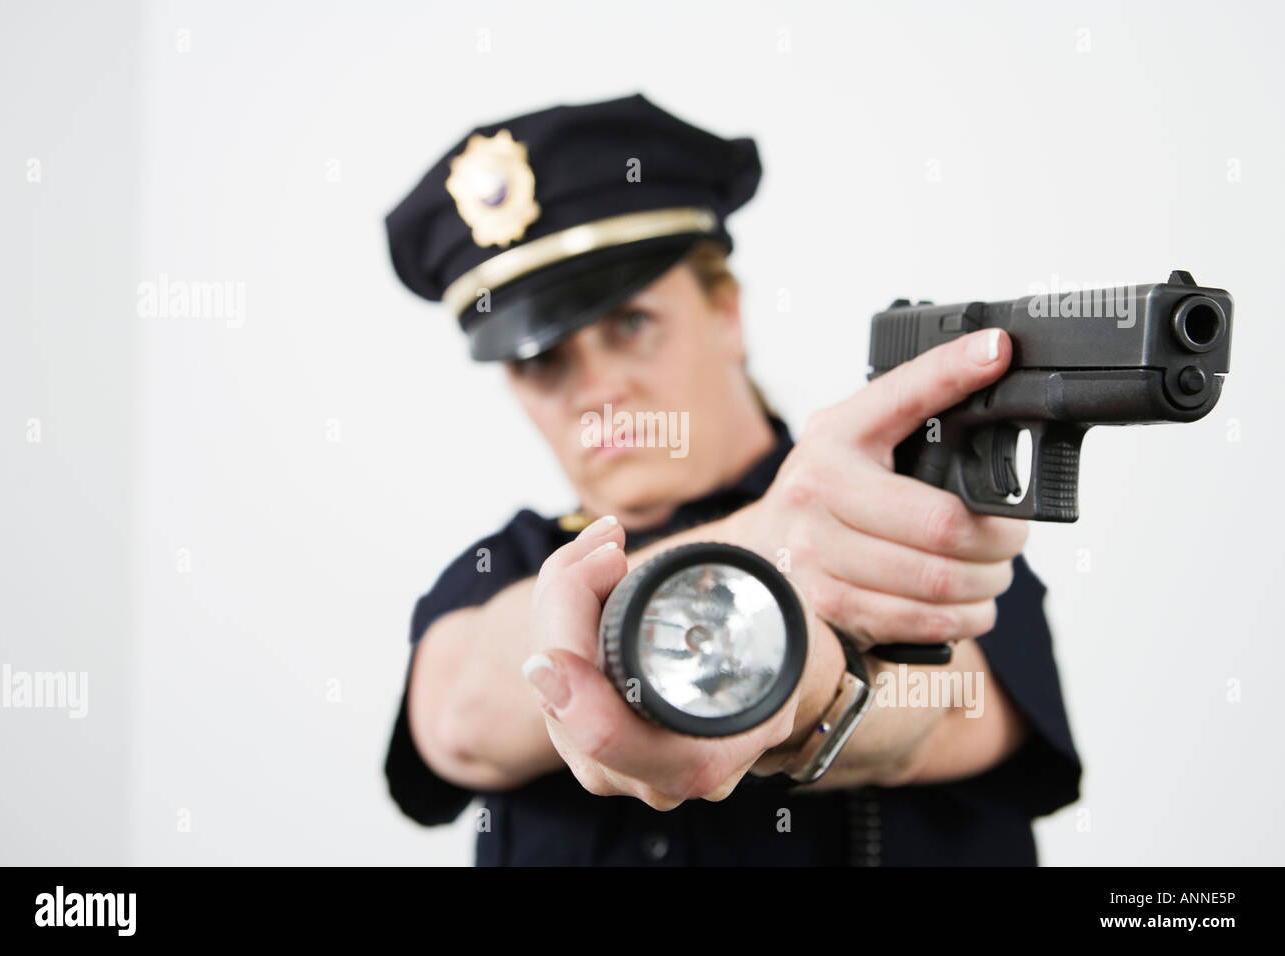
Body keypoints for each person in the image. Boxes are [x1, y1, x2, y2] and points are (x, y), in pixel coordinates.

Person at [382, 92, 1081, 865]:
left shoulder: (901, 508)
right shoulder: (497, 573)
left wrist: (803, 701)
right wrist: (764, 541)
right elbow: (458, 718)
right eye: (542, 360)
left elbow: (950, 708)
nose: (597, 388)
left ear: (726, 313)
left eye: (631, 323)